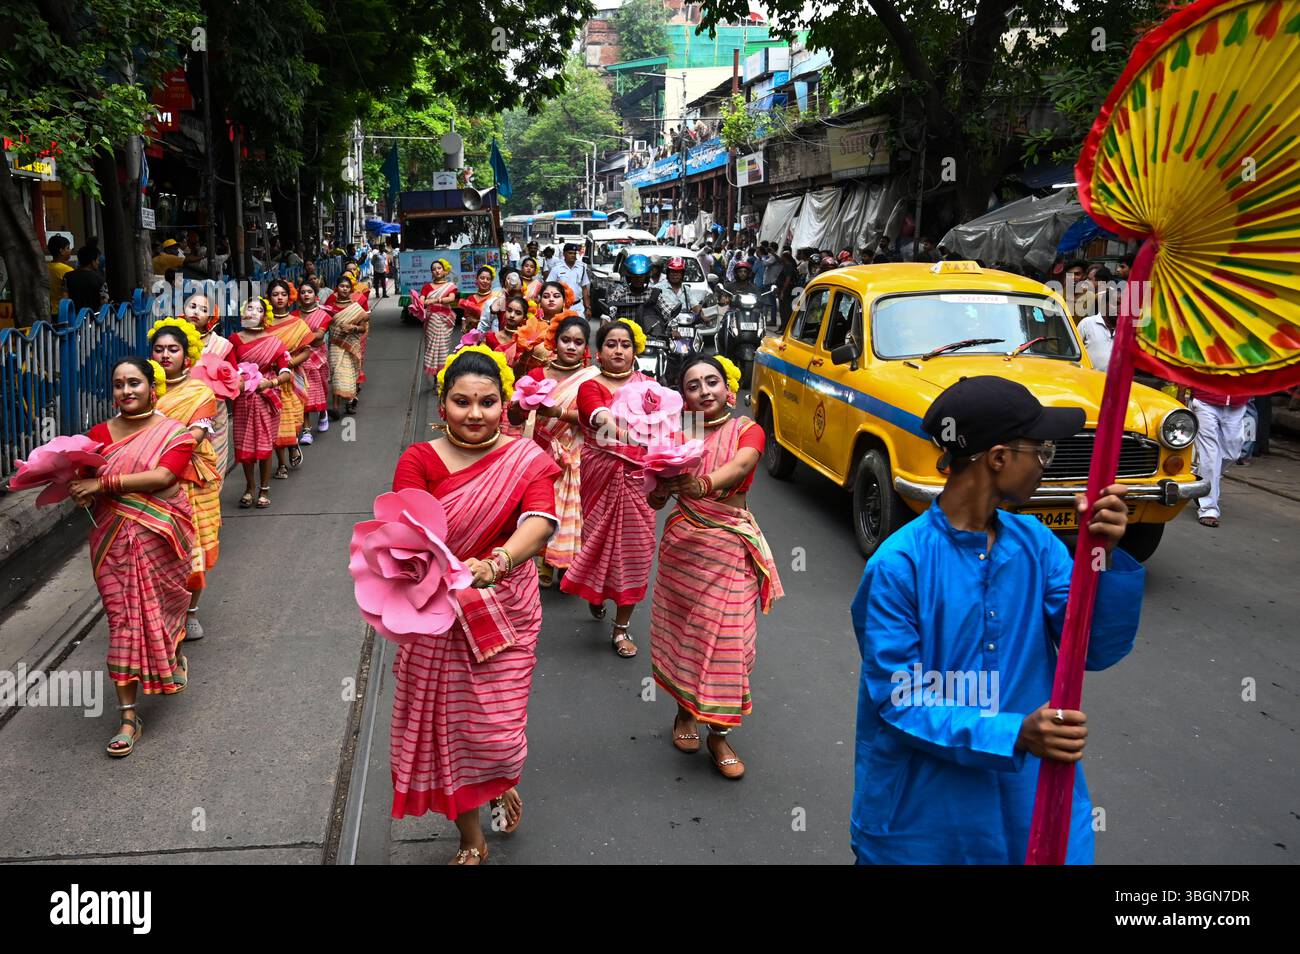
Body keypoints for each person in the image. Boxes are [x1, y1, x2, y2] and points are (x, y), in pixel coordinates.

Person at [849, 376, 1144, 864]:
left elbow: (1091, 648)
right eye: (1042, 450)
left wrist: (1102, 558)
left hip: (1029, 802)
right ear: (1000, 457)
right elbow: (900, 702)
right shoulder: (899, 565)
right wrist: (1014, 733)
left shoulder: (1037, 544)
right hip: (923, 819)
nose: (1046, 464)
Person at [389, 346, 561, 864]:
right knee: (451, 726)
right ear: (442, 407)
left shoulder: (525, 459)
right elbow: (404, 533)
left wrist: (497, 563)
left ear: (504, 405)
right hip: (435, 609)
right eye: (461, 401)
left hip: (504, 606)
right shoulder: (418, 459)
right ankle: (471, 837)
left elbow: (541, 521)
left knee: (498, 730)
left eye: (487, 402)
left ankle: (499, 776)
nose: (474, 413)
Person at [648, 355, 783, 779]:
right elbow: (658, 496)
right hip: (684, 547)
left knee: (731, 642)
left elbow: (740, 466)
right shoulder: (682, 430)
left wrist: (702, 484)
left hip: (729, 545)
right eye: (693, 385)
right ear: (683, 395)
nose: (705, 390)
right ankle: (685, 713)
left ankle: (720, 734)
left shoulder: (748, 429)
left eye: (712, 381)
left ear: (729, 388)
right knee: (686, 632)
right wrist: (659, 486)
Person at [67, 357, 196, 756]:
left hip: (161, 536)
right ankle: (128, 717)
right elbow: (81, 481)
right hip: (111, 541)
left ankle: (172, 649)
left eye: (134, 383)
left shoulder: (176, 433)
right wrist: (77, 489)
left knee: (163, 608)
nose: (126, 391)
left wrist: (102, 483)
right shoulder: (98, 435)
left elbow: (164, 478)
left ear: (151, 387)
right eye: (119, 384)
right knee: (122, 622)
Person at [559, 320, 656, 658]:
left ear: (634, 351)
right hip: (601, 472)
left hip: (640, 478)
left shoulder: (649, 388)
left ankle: (621, 628)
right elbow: (597, 416)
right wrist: (630, 435)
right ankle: (596, 592)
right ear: (598, 353)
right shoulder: (590, 386)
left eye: (625, 344)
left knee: (636, 550)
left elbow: (669, 421)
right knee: (599, 542)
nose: (618, 350)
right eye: (611, 344)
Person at [507, 315, 600, 587]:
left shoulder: (592, 380)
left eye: (578, 343)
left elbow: (595, 419)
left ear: (585, 349)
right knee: (545, 509)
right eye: (566, 340)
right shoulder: (536, 376)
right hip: (542, 452)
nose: (571, 346)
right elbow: (515, 420)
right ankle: (545, 561)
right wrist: (519, 407)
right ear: (554, 342)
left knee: (576, 512)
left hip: (579, 454)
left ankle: (570, 564)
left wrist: (557, 412)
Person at [150, 318, 222, 643]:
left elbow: (196, 435)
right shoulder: (144, 389)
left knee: (195, 548)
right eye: (159, 349)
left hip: (192, 478)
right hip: (152, 480)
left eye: (173, 349)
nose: (166, 355)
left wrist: (159, 448)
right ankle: (164, 610)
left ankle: (190, 613)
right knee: (161, 550)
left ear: (187, 356)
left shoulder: (201, 392)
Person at [228, 297, 291, 509]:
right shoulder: (234, 340)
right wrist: (243, 381)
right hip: (244, 399)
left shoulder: (274, 341)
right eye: (249, 308)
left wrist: (270, 382)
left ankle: (264, 489)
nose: (253, 312)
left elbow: (285, 371)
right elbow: (231, 370)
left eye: (259, 310)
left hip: (266, 398)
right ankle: (249, 487)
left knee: (264, 444)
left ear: (265, 316)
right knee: (245, 445)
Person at [1184, 385, 1250, 528]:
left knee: (1233, 453)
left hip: (1237, 401)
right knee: (1210, 456)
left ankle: (1202, 479)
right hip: (1205, 399)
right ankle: (1208, 509)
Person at [266, 279, 313, 475]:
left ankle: (293, 444)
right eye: (275, 294)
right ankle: (281, 464)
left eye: (283, 294)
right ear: (269, 298)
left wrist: (287, 365)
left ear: (289, 297)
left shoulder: (298, 323)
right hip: (270, 377)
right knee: (277, 421)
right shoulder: (263, 324)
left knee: (293, 419)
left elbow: (307, 351)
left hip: (293, 377)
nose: (279, 298)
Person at [326, 273, 370, 418]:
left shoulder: (356, 307)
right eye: (341, 286)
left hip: (351, 344)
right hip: (335, 344)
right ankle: (335, 408)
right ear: (336, 288)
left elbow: (363, 328)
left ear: (351, 289)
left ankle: (350, 401)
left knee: (350, 374)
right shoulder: (329, 306)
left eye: (347, 287)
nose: (344, 289)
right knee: (337, 374)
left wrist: (352, 328)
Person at [295, 278, 333, 439]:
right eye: (302, 292)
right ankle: (307, 429)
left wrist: (300, 336)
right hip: (299, 358)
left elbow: (319, 337)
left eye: (309, 292)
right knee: (303, 392)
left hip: (318, 357)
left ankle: (323, 411)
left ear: (315, 295)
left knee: (321, 388)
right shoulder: (294, 316)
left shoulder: (323, 315)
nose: (306, 295)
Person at [418, 259, 459, 387]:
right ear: (431, 272)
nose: (437, 270)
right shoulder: (426, 287)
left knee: (443, 349)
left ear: (444, 270)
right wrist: (421, 302)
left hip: (445, 319)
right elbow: (421, 301)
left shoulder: (450, 286)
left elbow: (451, 299)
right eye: (434, 269)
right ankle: (437, 378)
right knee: (432, 348)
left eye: (439, 268)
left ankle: (442, 377)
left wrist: (435, 300)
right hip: (431, 320)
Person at [604, 253, 661, 330]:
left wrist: (673, 327)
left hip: (649, 337)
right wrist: (607, 320)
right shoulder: (619, 294)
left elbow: (669, 314)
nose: (638, 279)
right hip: (625, 335)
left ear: (646, 277)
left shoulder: (654, 294)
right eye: (635, 276)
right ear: (629, 277)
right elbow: (610, 312)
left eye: (641, 277)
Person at [546, 242, 591, 319]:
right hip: (561, 306)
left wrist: (588, 308)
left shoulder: (581, 268)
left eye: (574, 253)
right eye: (570, 253)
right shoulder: (556, 268)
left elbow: (584, 289)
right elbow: (549, 287)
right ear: (564, 254)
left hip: (578, 307)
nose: (573, 255)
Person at [463, 265, 506, 335]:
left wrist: (478, 321)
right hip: (473, 336)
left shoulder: (496, 298)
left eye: (488, 279)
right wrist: (465, 325)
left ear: (491, 282)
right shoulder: (470, 299)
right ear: (477, 279)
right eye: (482, 278)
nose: (485, 281)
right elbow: (465, 319)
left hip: (491, 336)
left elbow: (501, 321)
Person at [64, 245, 105, 315]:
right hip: (94, 318)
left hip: (74, 318)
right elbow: (104, 302)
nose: (98, 263)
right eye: (97, 260)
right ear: (92, 261)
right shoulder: (99, 279)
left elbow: (65, 298)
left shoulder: (68, 276)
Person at [46, 235, 75, 320]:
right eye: (68, 248)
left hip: (50, 310)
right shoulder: (68, 270)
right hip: (64, 310)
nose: (70, 251)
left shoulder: (46, 267)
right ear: (61, 251)